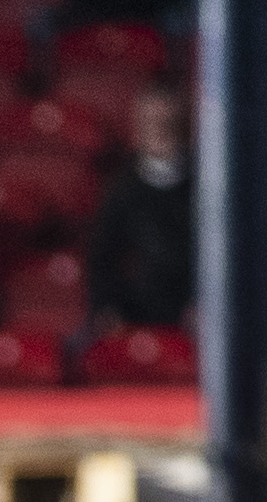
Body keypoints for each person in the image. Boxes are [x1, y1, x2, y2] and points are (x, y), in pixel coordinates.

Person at [87, 87, 195, 334]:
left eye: (168, 124)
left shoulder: (206, 187)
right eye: (152, 123)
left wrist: (207, 305)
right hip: (134, 311)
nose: (160, 131)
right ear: (138, 130)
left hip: (194, 313)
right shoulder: (121, 190)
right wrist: (108, 309)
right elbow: (102, 258)